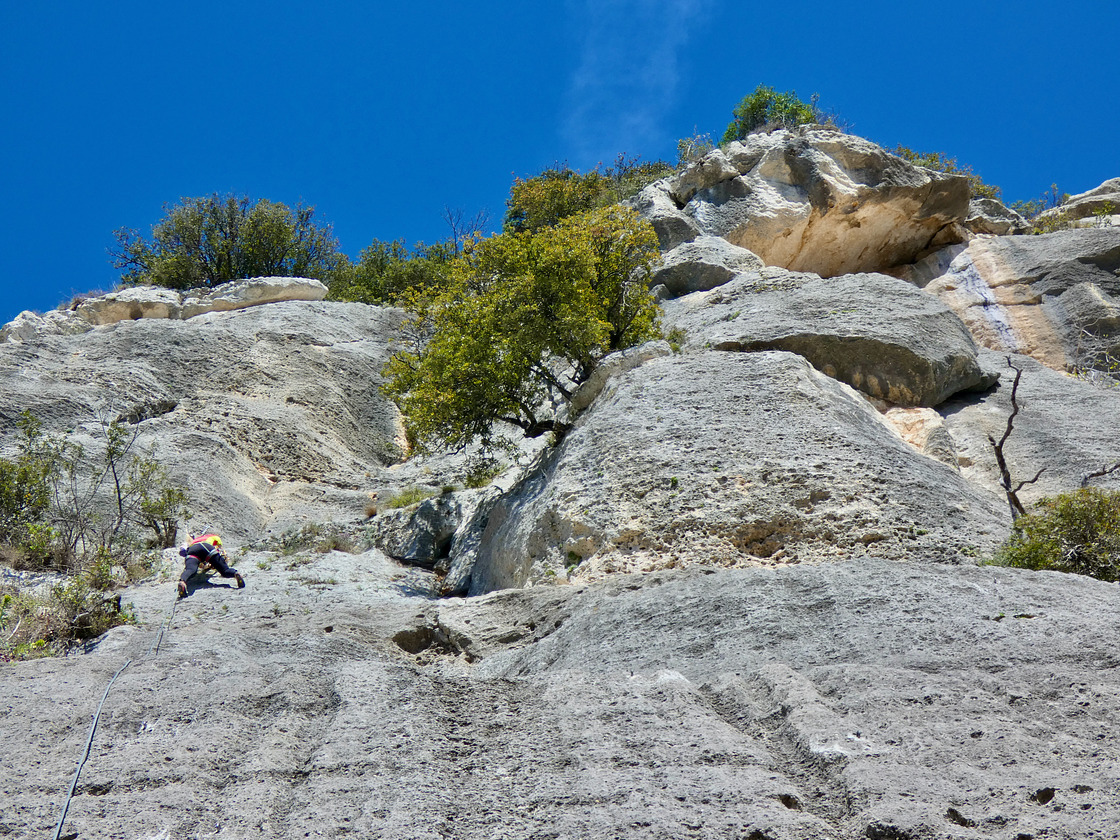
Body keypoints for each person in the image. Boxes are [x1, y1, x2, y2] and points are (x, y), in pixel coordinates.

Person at [178, 533, 244, 598]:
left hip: (193, 550)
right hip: (208, 548)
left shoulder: (194, 542)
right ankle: (235, 573)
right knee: (225, 571)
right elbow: (221, 550)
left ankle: (182, 581)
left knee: (191, 570)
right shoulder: (215, 537)